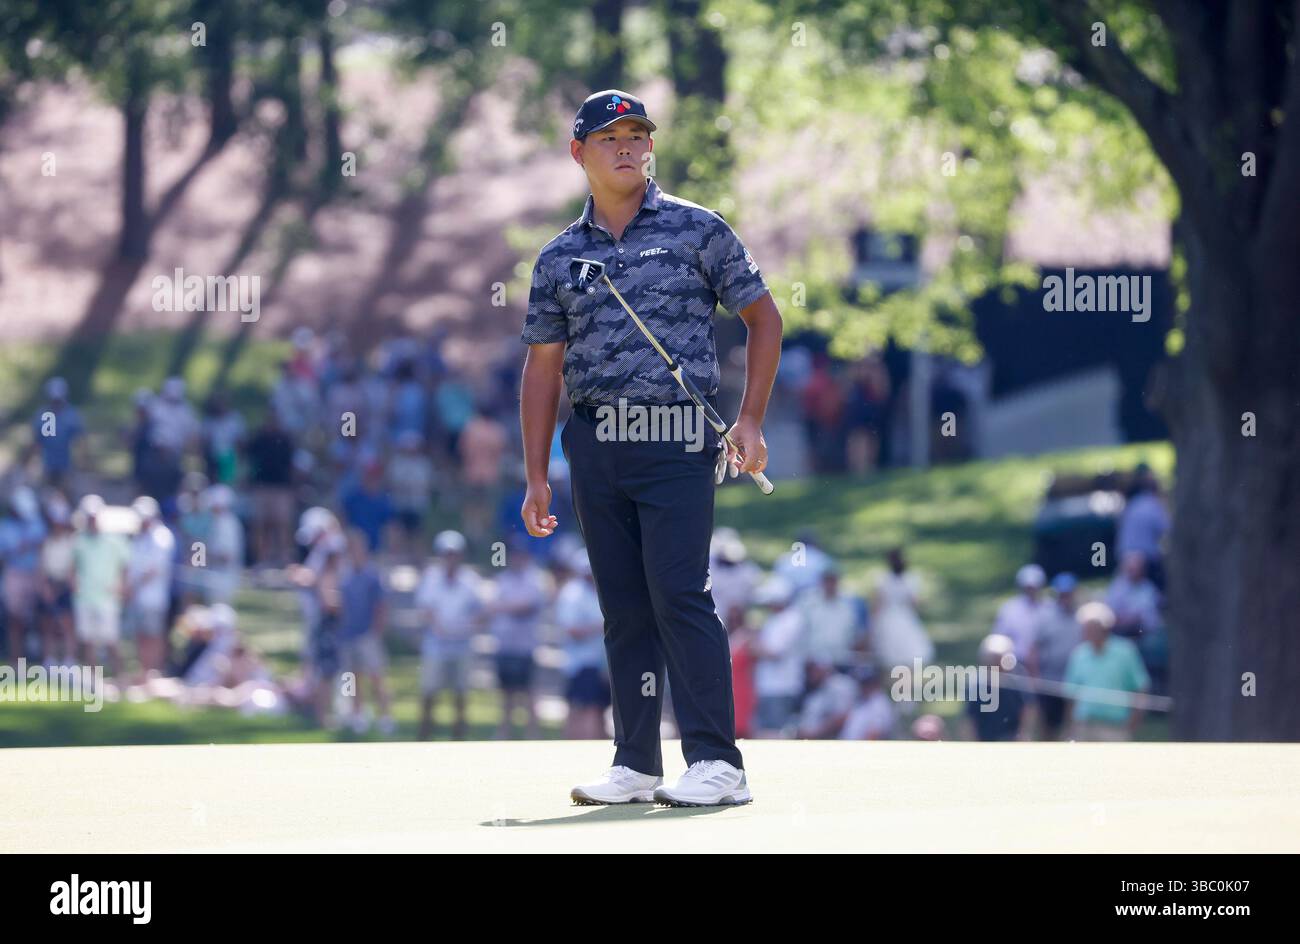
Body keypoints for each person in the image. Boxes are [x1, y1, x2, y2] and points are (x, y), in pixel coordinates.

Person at [520, 90, 782, 808]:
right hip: (597, 444)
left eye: (638, 135)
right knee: (624, 606)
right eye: (611, 138)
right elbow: (543, 367)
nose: (629, 147)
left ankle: (718, 765)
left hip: (675, 440)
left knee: (678, 592)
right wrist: (537, 475)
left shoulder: (699, 230)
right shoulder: (559, 258)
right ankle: (636, 763)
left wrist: (750, 419)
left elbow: (764, 319)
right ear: (580, 154)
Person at [414, 530, 484, 740]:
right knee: (429, 692)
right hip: (436, 644)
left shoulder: (470, 580)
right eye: (447, 554)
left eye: (454, 554)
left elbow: (481, 611)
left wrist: (467, 627)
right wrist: (440, 628)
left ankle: (459, 738)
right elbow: (426, 611)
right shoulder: (431, 579)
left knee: (460, 694)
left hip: (462, 645)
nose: (451, 558)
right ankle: (424, 737)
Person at [488, 537, 549, 740]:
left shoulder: (534, 579)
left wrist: (505, 607)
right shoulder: (503, 579)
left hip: (525, 646)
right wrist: (506, 607)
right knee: (506, 695)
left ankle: (533, 735)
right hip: (505, 645)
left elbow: (526, 606)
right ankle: (503, 735)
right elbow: (493, 606)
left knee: (529, 693)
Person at [1064, 601, 1150, 741]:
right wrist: (1071, 727)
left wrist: (1134, 722)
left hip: (1116, 727)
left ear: (1104, 628)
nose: (1087, 631)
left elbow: (1140, 688)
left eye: (1091, 626)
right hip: (1084, 726)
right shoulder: (1078, 654)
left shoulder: (1125, 652)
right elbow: (1071, 696)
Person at [338, 530, 393, 734]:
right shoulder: (345, 575)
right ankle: (356, 715)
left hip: (368, 634)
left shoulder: (372, 574)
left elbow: (382, 605)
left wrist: (376, 631)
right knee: (352, 678)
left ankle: (385, 716)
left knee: (376, 676)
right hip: (348, 634)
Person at [71, 495, 130, 677]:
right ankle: (94, 679)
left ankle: (119, 678)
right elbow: (73, 567)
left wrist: (121, 586)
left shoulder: (115, 539)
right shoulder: (79, 539)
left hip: (107, 596)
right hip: (85, 596)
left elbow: (125, 566)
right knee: (87, 640)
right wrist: (74, 585)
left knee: (111, 640)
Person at [556, 547, 610, 739]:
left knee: (598, 710)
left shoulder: (601, 590)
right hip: (583, 663)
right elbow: (572, 630)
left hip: (601, 662)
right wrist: (607, 625)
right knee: (588, 710)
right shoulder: (573, 594)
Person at [123, 496, 175, 678]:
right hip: (139, 597)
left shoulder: (161, 536)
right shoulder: (138, 538)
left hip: (154, 597)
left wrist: (132, 587)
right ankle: (144, 670)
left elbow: (154, 569)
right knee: (141, 635)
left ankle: (154, 670)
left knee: (154, 635)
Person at [751, 575, 805, 737]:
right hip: (769, 684)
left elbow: (774, 653)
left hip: (782, 685)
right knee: (765, 729)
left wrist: (753, 645)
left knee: (776, 731)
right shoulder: (776, 619)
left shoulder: (792, 619)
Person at [1032, 572, 1083, 740]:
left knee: (1072, 726)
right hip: (1049, 681)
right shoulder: (1046, 618)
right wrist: (1036, 677)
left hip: (1075, 683)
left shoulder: (1082, 618)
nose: (1065, 598)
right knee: (1048, 727)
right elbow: (1034, 649)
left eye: (1068, 594)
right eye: (1062, 594)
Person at [0, 488, 47, 664]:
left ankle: (38, 658)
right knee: (14, 618)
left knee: (37, 617)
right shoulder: (5, 526)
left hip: (35, 573)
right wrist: (22, 547)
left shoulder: (36, 522)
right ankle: (15, 657)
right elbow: (4, 553)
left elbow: (41, 544)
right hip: (14, 574)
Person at [870, 547, 933, 675]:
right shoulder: (908, 579)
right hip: (899, 617)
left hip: (893, 617)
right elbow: (914, 602)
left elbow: (878, 603)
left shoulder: (885, 579)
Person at [245, 411, 296, 566]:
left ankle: (284, 559)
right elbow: (249, 460)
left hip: (281, 487)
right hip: (261, 487)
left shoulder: (286, 440)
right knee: (260, 525)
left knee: (282, 524)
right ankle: (261, 559)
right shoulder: (259, 439)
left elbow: (292, 464)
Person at [964, 633, 1028, 741]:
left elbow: (1027, 710)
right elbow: (969, 720)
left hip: (1011, 740)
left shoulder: (1017, 681)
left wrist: (1022, 735)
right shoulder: (977, 685)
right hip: (985, 740)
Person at [1116, 463, 1169, 590]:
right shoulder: (1152, 504)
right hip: (1145, 560)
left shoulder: (1130, 506)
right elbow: (1166, 528)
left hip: (1125, 558)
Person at [30, 377, 84, 487]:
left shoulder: (72, 415)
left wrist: (82, 462)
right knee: (46, 493)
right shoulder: (42, 415)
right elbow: (36, 441)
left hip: (66, 464)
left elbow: (80, 441)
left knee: (67, 492)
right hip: (47, 464)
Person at [993, 563, 1047, 669]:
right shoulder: (1009, 609)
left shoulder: (1049, 608)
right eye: (1028, 587)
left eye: (1034, 587)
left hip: (1043, 664)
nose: (1031, 591)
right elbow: (999, 639)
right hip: (1015, 664)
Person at [839, 666, 895, 740]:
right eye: (863, 683)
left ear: (876, 683)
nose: (864, 686)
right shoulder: (861, 700)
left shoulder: (880, 705)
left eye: (867, 683)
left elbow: (874, 733)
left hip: (864, 750)